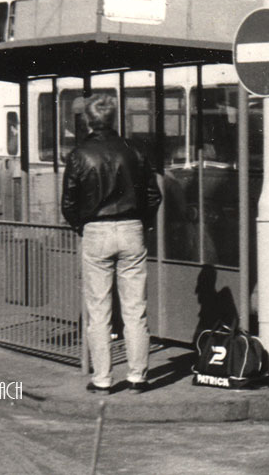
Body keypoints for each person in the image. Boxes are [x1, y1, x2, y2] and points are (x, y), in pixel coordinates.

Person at [62, 94, 162, 394]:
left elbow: (69, 202)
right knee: (135, 309)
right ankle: (138, 376)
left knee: (99, 310)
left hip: (96, 231)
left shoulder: (80, 154)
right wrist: (142, 223)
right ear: (114, 118)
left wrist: (82, 225)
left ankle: (103, 379)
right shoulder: (135, 150)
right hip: (132, 229)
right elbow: (153, 195)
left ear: (89, 120)